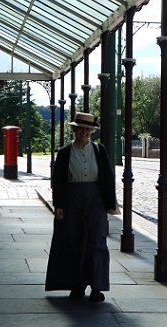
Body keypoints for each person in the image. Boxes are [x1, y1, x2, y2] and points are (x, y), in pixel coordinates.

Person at [45, 112, 118, 302]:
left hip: (95, 201)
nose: (84, 132)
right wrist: (58, 204)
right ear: (74, 130)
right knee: (74, 243)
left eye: (88, 129)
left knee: (96, 242)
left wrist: (111, 203)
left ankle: (97, 287)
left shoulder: (99, 150)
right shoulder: (65, 152)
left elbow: (108, 178)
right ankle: (76, 285)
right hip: (72, 201)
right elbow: (58, 181)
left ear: (92, 131)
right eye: (81, 128)